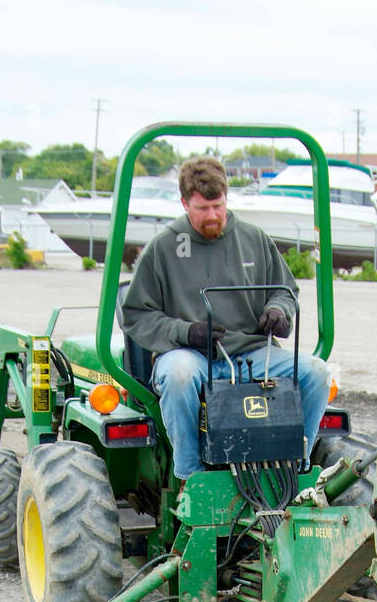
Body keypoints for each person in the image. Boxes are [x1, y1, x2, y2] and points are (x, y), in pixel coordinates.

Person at [120, 155, 331, 479]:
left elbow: (285, 291)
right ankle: (191, 477)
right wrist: (186, 332)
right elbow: (137, 315)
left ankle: (296, 466)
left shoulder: (253, 239)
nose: (213, 215)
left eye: (218, 206)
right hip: (190, 355)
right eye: (203, 209)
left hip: (253, 353)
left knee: (316, 372)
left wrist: (278, 310)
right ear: (184, 203)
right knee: (179, 376)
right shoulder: (162, 248)